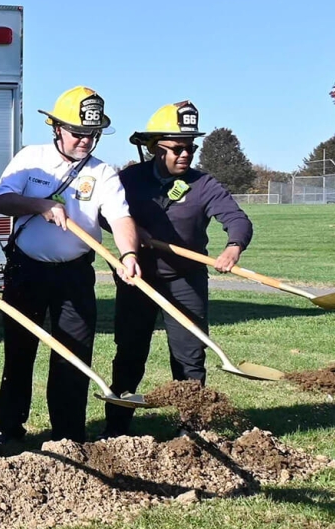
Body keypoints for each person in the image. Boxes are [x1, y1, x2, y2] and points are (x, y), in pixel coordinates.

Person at [0, 86, 143, 446]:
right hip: (27, 270)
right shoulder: (32, 158)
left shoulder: (102, 173)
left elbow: (120, 217)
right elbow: (1, 201)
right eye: (78, 133)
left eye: (93, 134)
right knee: (19, 352)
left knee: (73, 356)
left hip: (75, 275)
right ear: (57, 128)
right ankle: (9, 431)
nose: (86, 140)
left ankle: (68, 436)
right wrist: (40, 205)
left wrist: (128, 255)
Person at [103, 102, 253, 437]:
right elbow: (104, 212)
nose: (186, 155)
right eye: (177, 149)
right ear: (156, 148)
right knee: (129, 354)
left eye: (191, 148)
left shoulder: (203, 184)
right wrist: (131, 229)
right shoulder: (129, 179)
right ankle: (115, 430)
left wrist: (234, 245)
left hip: (187, 279)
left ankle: (191, 433)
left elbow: (237, 218)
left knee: (189, 356)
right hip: (137, 278)